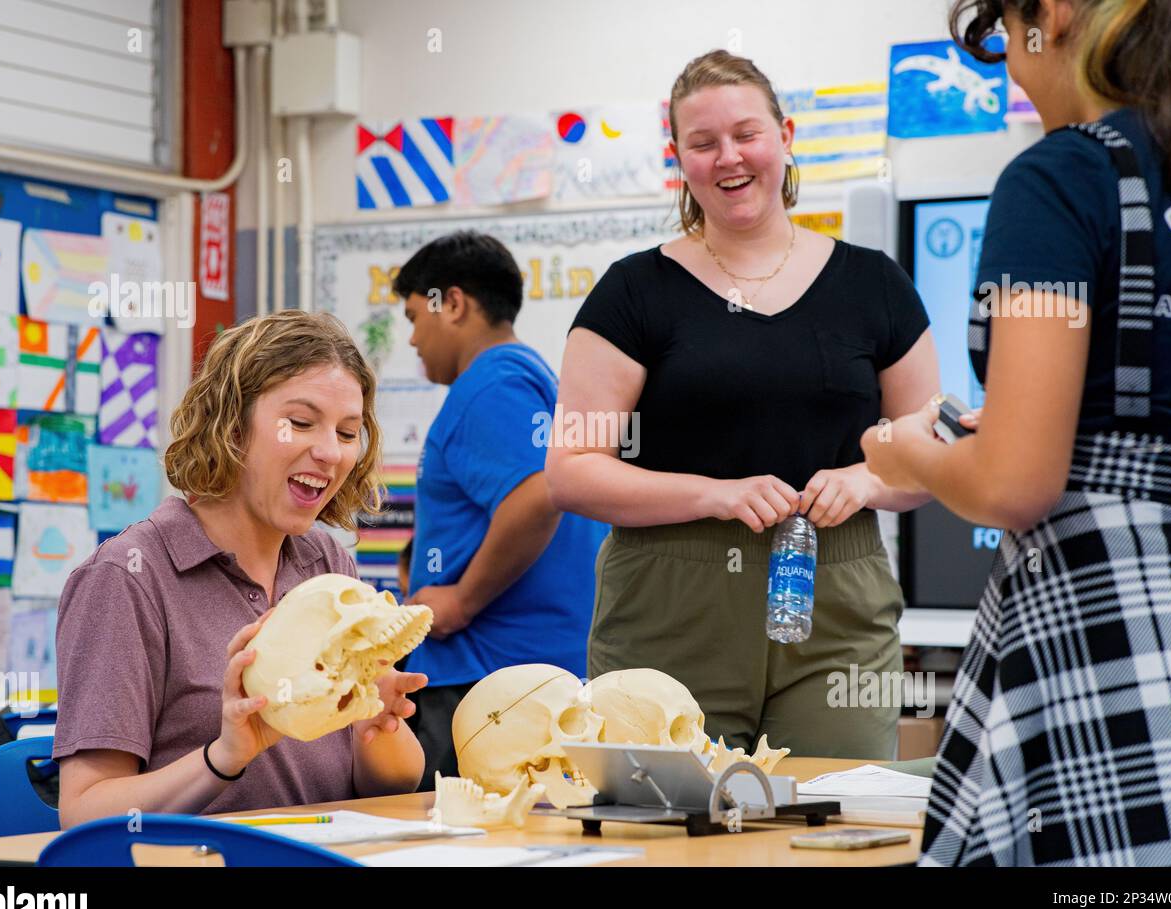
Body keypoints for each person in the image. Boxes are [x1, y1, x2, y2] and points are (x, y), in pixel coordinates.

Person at [863, 0, 1171, 865]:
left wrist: (906, 448)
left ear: (1056, 14)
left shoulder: (1064, 178)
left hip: (1107, 622)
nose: (1012, 74)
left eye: (1004, 39)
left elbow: (1011, 487)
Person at [546, 50, 941, 760]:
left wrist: (864, 480)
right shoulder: (631, 294)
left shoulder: (875, 286)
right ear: (680, 161)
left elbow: (929, 449)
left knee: (838, 823)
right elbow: (571, 469)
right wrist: (715, 495)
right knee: (666, 831)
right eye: (703, 143)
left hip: (839, 598)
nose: (729, 157)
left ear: (786, 135)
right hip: (669, 604)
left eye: (746, 134)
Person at [53, 311, 428, 825]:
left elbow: (392, 781)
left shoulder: (329, 565)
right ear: (230, 423)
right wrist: (222, 757)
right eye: (299, 423)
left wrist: (376, 723)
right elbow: (83, 812)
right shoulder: (128, 576)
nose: (328, 452)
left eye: (347, 433)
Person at [394, 231, 608, 787]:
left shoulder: (489, 385)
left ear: (455, 303)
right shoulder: (534, 378)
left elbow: (538, 497)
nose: (413, 339)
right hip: (529, 676)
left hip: (485, 682)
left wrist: (462, 600)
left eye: (416, 316)